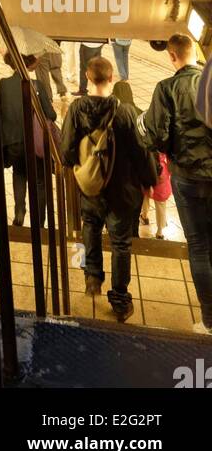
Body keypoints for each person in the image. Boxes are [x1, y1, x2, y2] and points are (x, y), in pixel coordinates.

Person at [61, 56, 157, 322]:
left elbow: (66, 152)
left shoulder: (77, 109)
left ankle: (92, 276)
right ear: (112, 79)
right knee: (120, 244)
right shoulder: (125, 112)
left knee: (90, 226)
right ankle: (119, 300)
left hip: (91, 190)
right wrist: (150, 180)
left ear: (87, 78)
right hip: (121, 192)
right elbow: (141, 153)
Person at [137, 33, 212, 335]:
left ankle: (209, 321)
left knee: (199, 247)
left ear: (171, 56)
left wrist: (144, 124)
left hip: (187, 177)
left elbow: (155, 136)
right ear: (194, 51)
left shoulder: (166, 88)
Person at [0, 53, 57, 227]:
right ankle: (39, 221)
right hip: (34, 144)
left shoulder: (3, 84)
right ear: (28, 65)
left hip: (12, 141)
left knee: (19, 174)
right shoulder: (36, 85)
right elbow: (51, 115)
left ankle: (19, 210)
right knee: (39, 181)